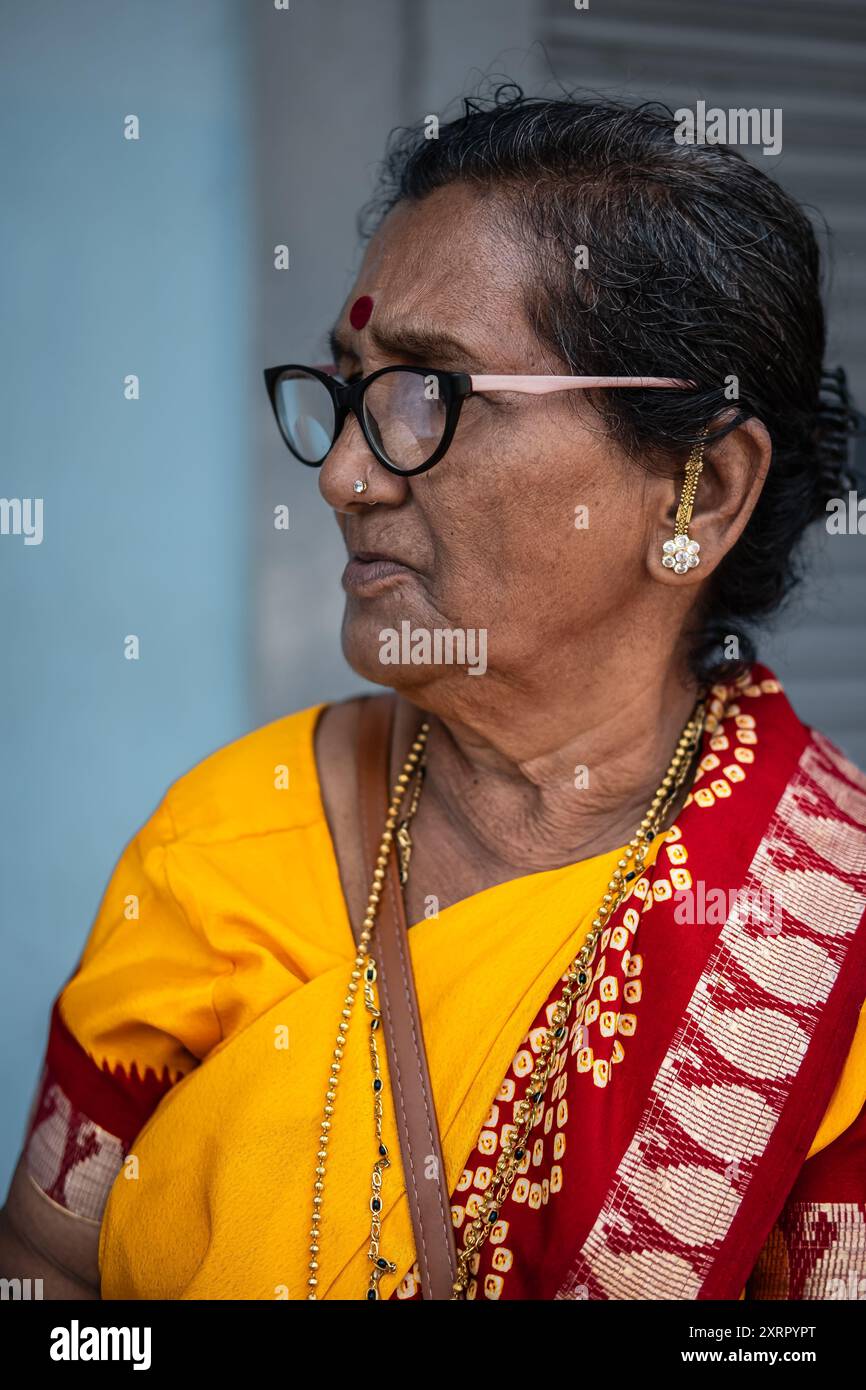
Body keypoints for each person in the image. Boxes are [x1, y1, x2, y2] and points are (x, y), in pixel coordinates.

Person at [3, 88, 865, 1302]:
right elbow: (47, 1287)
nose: (345, 474)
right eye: (350, 385)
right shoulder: (226, 842)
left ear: (698, 492)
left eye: (432, 394)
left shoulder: (827, 931)